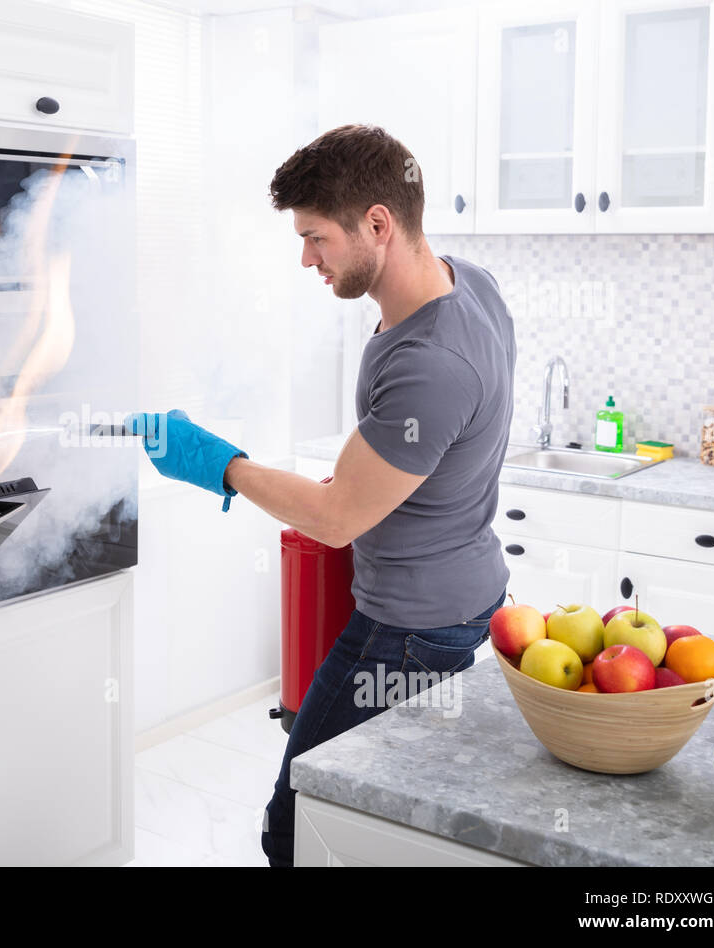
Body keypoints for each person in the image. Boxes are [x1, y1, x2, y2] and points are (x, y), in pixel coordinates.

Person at [124, 124, 517, 867]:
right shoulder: (471, 286)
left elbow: (336, 522)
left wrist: (216, 463)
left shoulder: (431, 363)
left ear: (378, 223)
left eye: (315, 237)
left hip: (409, 634)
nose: (305, 256)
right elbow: (421, 456)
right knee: (390, 828)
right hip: (461, 605)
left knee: (298, 828)